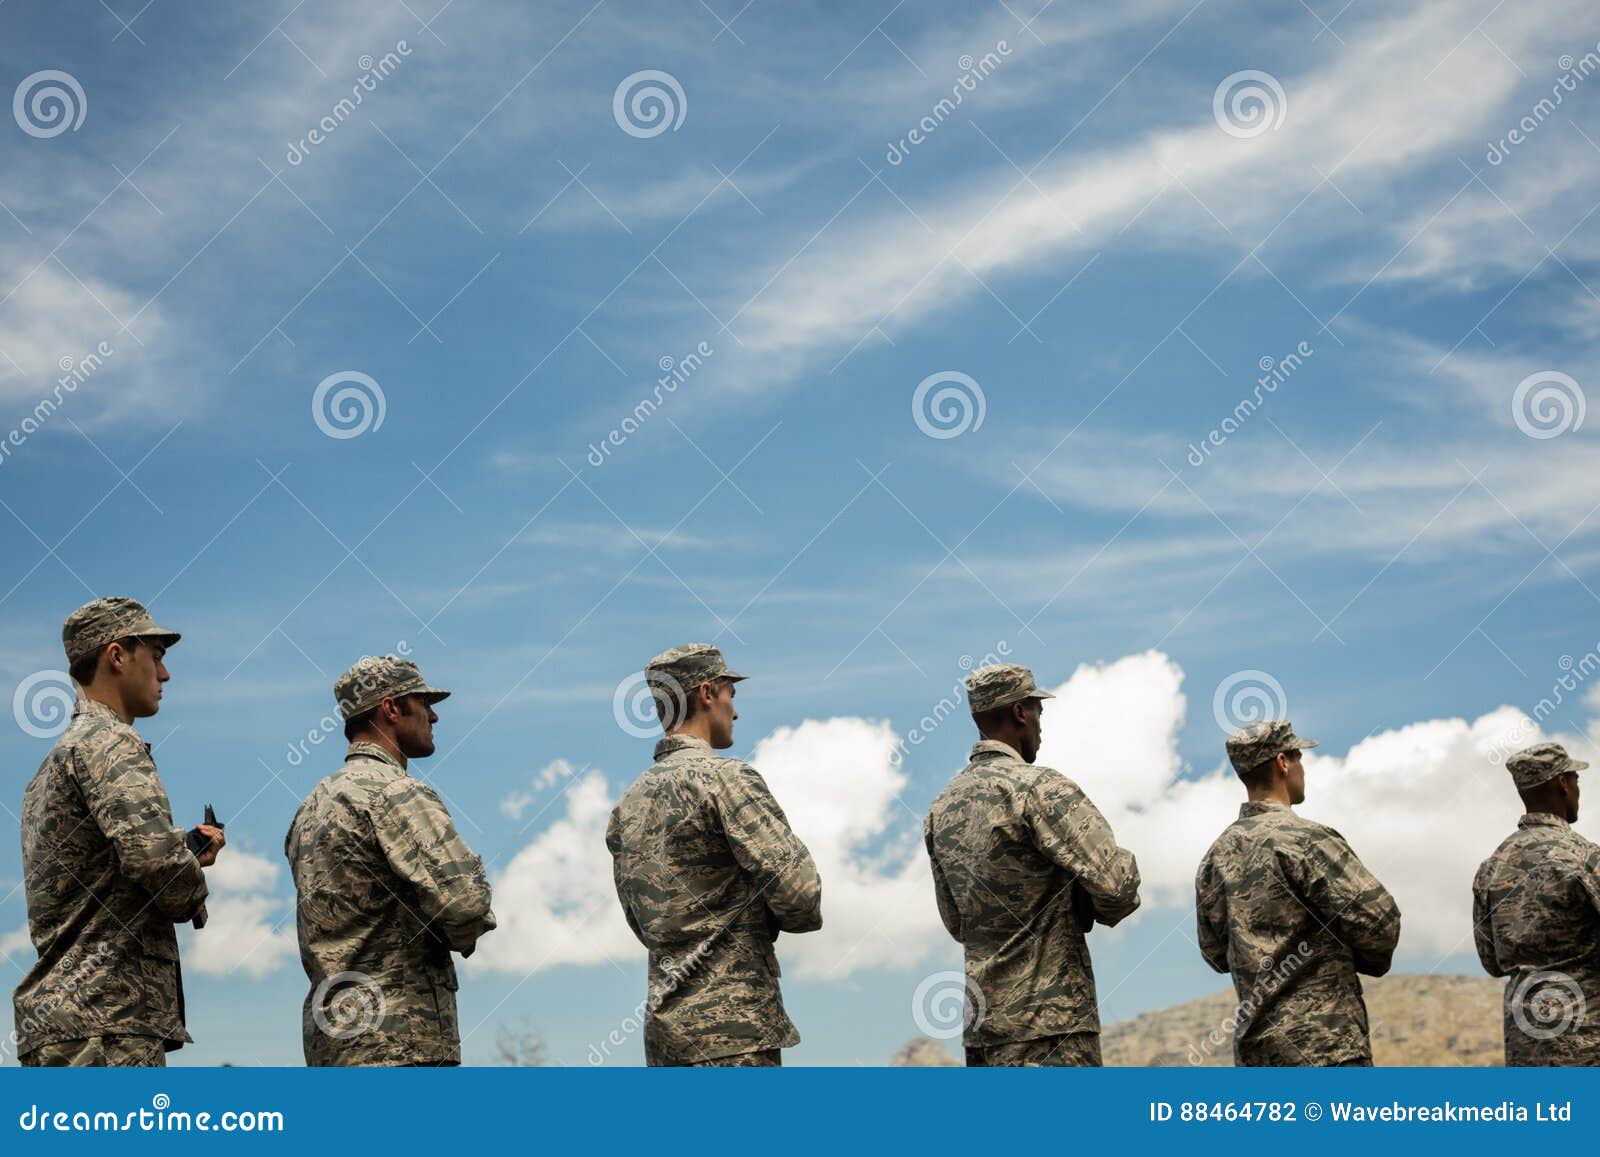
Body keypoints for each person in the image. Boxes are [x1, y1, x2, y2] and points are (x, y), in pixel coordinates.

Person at [14, 597, 223, 1067]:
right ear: (117, 655)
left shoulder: (49, 769)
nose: (164, 675)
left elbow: (96, 877)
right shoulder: (112, 742)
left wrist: (181, 852)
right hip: (107, 1023)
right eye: (157, 656)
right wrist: (191, 882)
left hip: (62, 1024)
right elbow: (157, 866)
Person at [606, 644, 821, 1066]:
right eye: (731, 696)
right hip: (736, 1037)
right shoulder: (727, 780)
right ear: (707, 693)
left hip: (667, 1042)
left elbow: (642, 922)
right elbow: (800, 897)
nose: (734, 712)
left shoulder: (628, 805)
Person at [924, 662, 1140, 1067]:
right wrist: (1085, 900)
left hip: (985, 1035)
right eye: (1038, 710)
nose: (1041, 722)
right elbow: (1117, 886)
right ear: (1020, 713)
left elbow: (958, 923)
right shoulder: (1040, 788)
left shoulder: (942, 808)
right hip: (1052, 1030)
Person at [285, 655, 495, 1066]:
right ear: (392, 708)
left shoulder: (311, 807)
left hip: (333, 1042)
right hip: (399, 1040)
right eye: (423, 703)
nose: (433, 716)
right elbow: (466, 905)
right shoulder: (396, 793)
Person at [1195, 719, 1400, 1066]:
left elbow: (1215, 954)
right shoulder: (1308, 840)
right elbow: (1381, 923)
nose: (1303, 769)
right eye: (1299, 757)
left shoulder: (1215, 857)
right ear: (1282, 762)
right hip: (1327, 1049)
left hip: (1258, 1056)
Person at [1473, 742, 1600, 1066]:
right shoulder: (1583, 857)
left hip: (1525, 1045)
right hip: (1587, 1045)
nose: (1576, 790)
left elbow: (1491, 961)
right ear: (1562, 783)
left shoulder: (1493, 866)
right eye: (1575, 781)